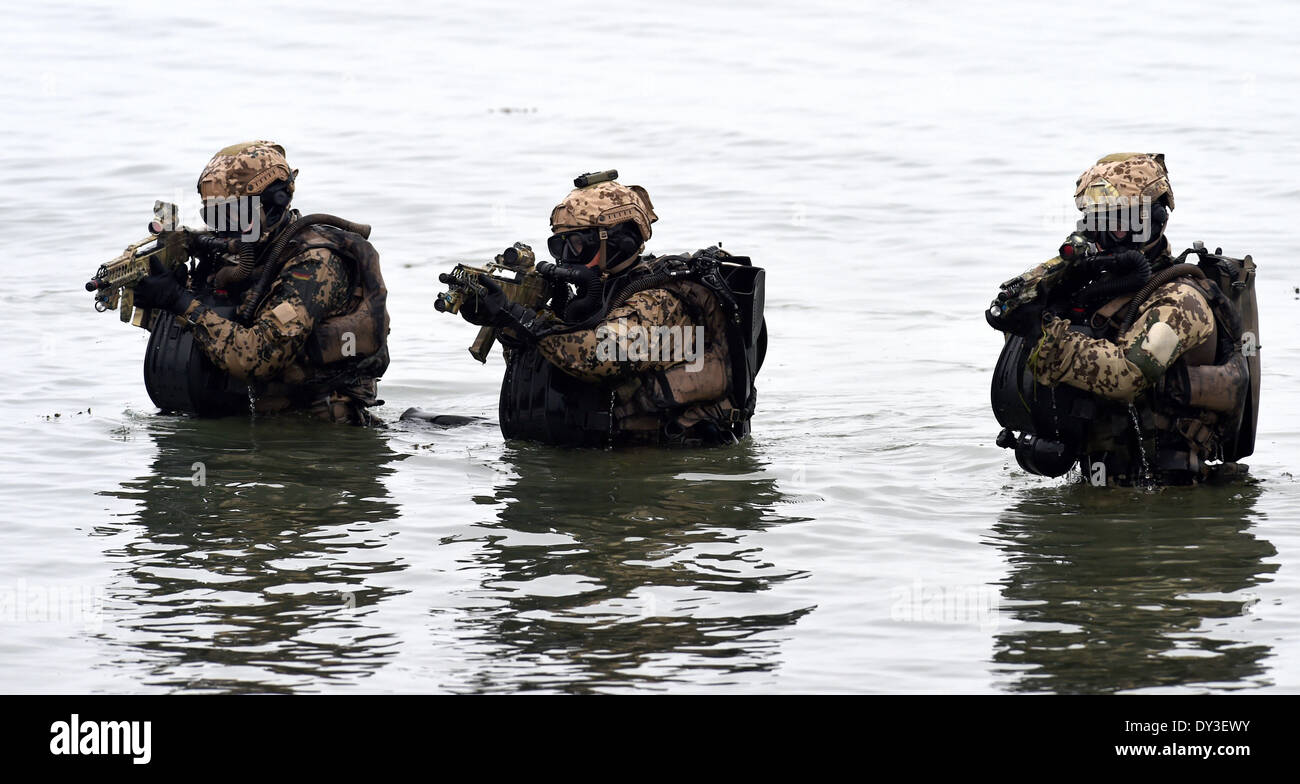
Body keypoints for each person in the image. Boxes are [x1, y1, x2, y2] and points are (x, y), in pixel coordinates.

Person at [987, 153, 1259, 485]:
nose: (1109, 234)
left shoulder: (1180, 300)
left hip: (1166, 501)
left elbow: (1127, 374)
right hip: (1104, 491)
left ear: (1155, 220)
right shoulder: (1101, 289)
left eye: (1123, 221)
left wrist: (1045, 337)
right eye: (1098, 222)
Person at [458, 171, 766, 446]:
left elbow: (601, 354)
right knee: (418, 421)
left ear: (620, 241)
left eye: (578, 244)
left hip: (660, 475)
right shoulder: (593, 296)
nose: (567, 256)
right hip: (592, 453)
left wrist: (520, 317)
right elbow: (546, 361)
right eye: (560, 246)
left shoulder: (659, 301)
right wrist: (505, 320)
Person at [131, 141, 390, 424]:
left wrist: (180, 302)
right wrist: (161, 298)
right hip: (255, 425)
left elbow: (258, 356)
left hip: (316, 436)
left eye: (235, 213)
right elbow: (212, 332)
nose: (223, 226)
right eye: (214, 214)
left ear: (274, 205)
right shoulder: (245, 250)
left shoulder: (315, 264)